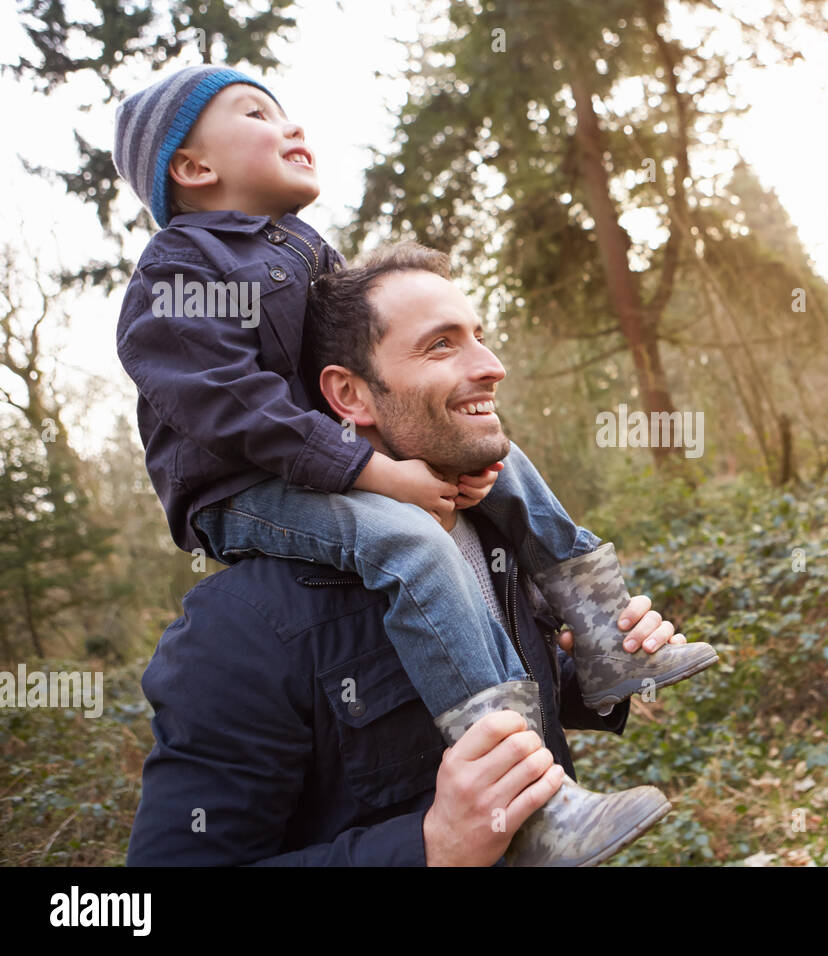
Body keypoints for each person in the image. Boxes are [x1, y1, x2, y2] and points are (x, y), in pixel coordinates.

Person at [112, 66, 717, 861]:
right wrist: (429, 848)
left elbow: (451, 659)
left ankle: (599, 617)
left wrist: (576, 657)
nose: (490, 366)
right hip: (238, 488)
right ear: (193, 168)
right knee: (408, 542)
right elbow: (226, 402)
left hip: (329, 463)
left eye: (478, 333)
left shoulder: (303, 252)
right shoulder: (179, 271)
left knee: (508, 466)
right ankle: (536, 812)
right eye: (258, 113)